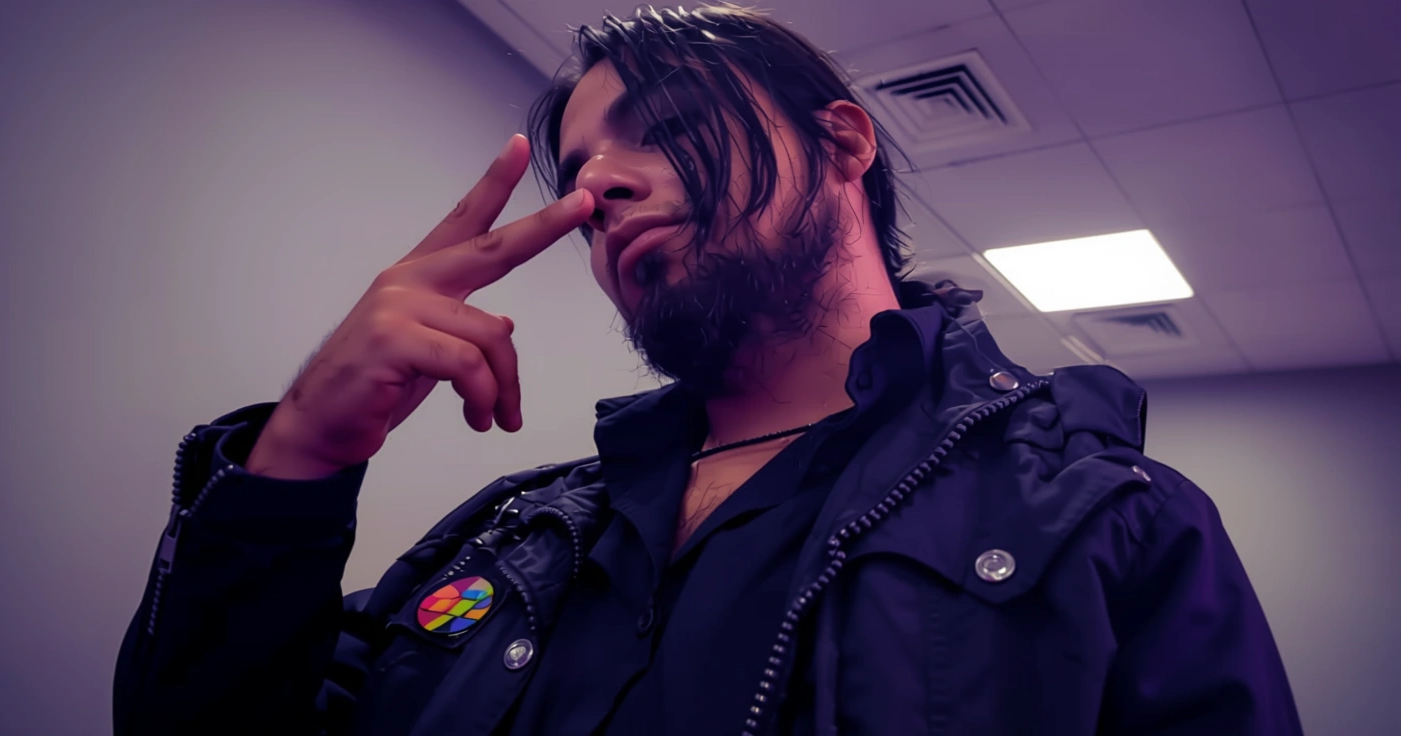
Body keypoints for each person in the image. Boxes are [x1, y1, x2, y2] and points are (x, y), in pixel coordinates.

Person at [115, 4, 1303, 734]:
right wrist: (298, 463)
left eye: (670, 126)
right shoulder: (511, 536)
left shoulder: (1105, 522)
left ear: (842, 141)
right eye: (581, 172)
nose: (598, 188)